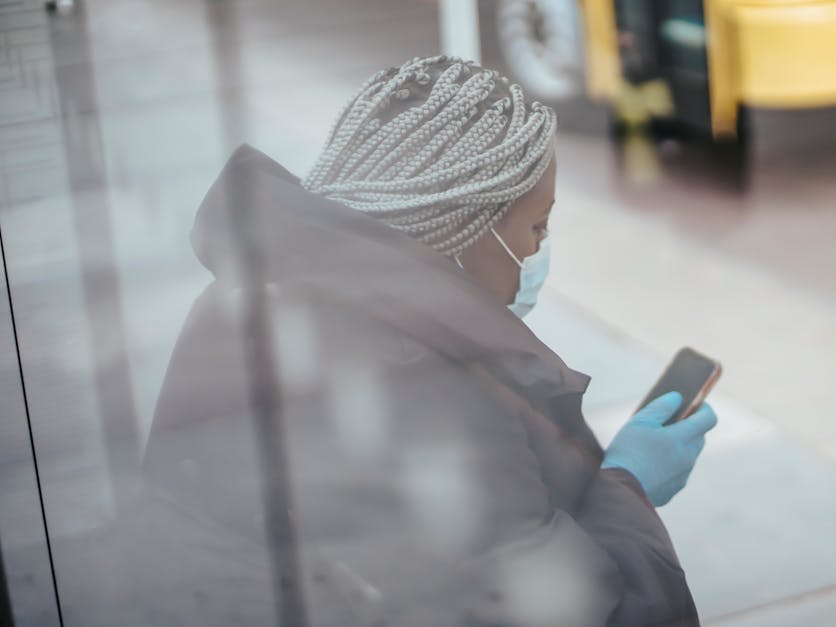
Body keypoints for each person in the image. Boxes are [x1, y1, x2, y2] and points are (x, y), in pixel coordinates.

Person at [106, 55, 719, 627]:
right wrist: (629, 488)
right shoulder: (425, 387)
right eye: (536, 224)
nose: (538, 249)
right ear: (462, 223)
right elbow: (556, 606)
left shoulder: (241, 301)